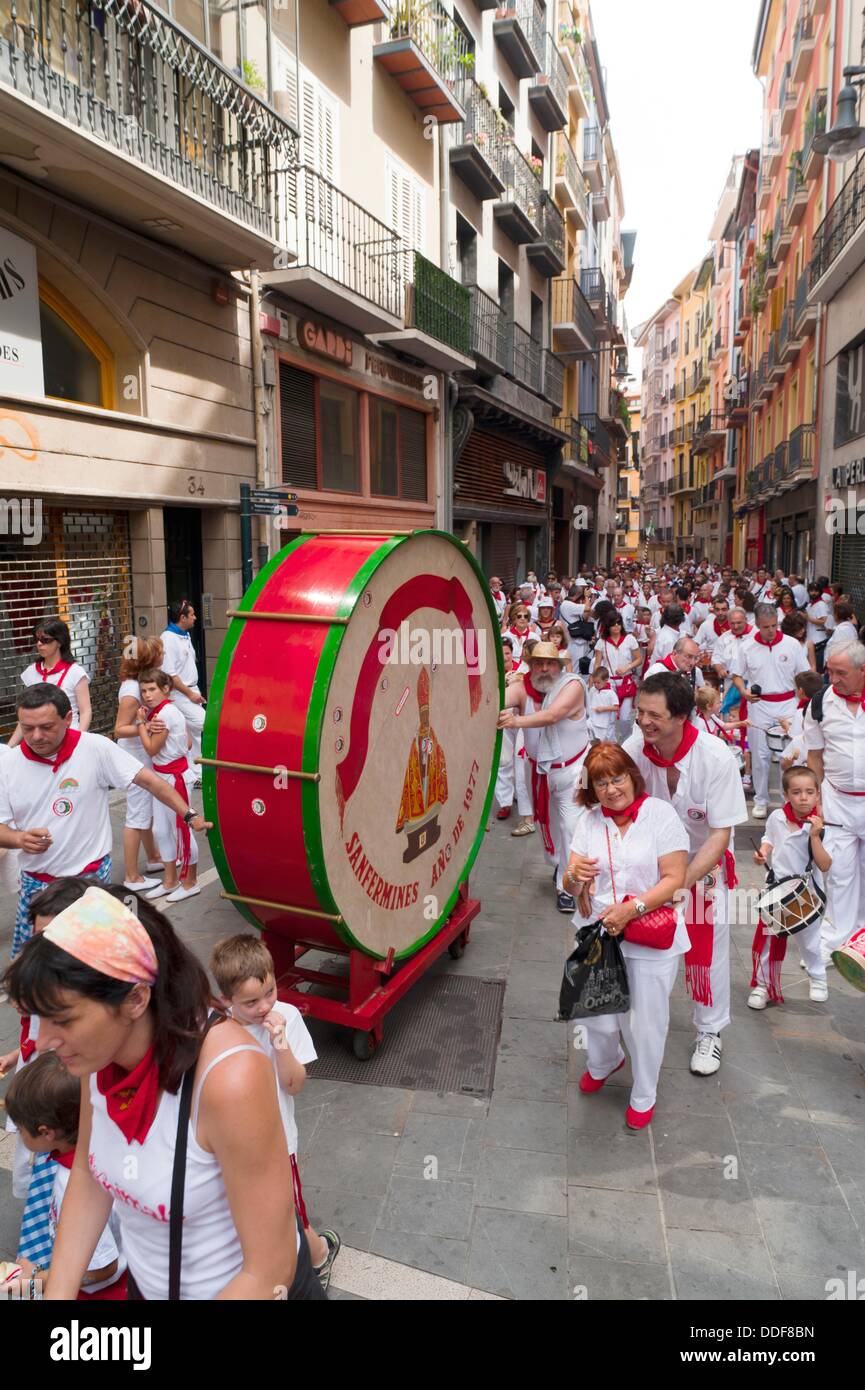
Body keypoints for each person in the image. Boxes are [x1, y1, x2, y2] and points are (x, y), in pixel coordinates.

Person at [3, 885, 325, 1300]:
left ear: (135, 999)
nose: (43, 1041)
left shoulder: (230, 1077)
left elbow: (270, 1269)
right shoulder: (98, 1058)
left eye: (62, 1020)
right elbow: (87, 1171)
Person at [0, 684, 212, 957]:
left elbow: (150, 782)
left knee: (97, 962)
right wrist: (18, 839)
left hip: (91, 881)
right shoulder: (8, 765)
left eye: (46, 727)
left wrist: (189, 814)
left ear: (68, 719)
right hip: (36, 886)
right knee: (33, 968)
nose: (36, 736)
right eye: (27, 728)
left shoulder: (94, 748)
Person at [622, 673, 747, 1076]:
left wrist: (683, 882)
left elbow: (720, 833)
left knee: (707, 949)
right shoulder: (637, 748)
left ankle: (710, 1032)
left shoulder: (715, 757)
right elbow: (612, 791)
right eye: (640, 711)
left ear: (680, 717)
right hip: (651, 861)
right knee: (641, 941)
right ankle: (634, 1019)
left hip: (702, 865)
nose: (643, 722)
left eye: (653, 715)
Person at [563, 744, 688, 1129]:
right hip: (597, 935)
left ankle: (644, 1091)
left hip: (648, 936)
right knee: (595, 1014)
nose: (611, 789)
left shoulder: (660, 815)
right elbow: (568, 880)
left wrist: (631, 909)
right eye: (601, 783)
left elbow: (674, 879)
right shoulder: (588, 821)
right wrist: (573, 879)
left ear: (632, 776)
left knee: (644, 1021)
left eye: (617, 778)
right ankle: (604, 1061)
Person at [210, 935, 340, 1292]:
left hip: (279, 1143)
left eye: (269, 992)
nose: (265, 1005)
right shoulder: (217, 1027)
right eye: (251, 1002)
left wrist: (280, 1044)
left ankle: (319, 1254)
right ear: (226, 1000)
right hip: (234, 1146)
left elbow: (295, 1084)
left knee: (288, 1211)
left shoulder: (289, 1018)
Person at [3, 1053, 128, 1299]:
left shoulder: (72, 1183)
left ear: (46, 1132)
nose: (19, 1135)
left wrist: (37, 1278)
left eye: (20, 1130)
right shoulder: (106, 1149)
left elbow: (103, 1267)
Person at [1, 878, 93, 1207]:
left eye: (53, 939)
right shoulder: (43, 980)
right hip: (40, 1093)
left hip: (59, 1109)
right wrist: (17, 1054)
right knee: (35, 1176)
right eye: (38, 937)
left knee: (61, 1183)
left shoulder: (91, 999)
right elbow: (38, 1035)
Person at [499, 641, 589, 912]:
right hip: (537, 771)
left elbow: (552, 715)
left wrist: (515, 721)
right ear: (530, 665)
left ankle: (567, 887)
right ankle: (559, 865)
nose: (544, 668)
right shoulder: (522, 686)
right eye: (538, 663)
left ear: (559, 667)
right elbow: (495, 700)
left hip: (574, 771)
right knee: (546, 827)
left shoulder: (572, 686)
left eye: (549, 663)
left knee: (571, 828)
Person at [749, 766, 831, 1010]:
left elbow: (825, 864)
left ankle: (818, 978)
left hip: (807, 893)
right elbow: (769, 839)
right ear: (786, 795)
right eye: (796, 792)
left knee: (809, 941)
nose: (803, 797)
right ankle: (763, 985)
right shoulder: (777, 818)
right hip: (777, 888)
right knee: (768, 941)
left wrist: (815, 836)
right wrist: (762, 853)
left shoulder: (821, 826)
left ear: (818, 795)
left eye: (809, 792)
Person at [804, 640, 865, 964]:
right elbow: (814, 756)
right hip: (838, 800)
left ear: (862, 671)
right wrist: (818, 802)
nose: (834, 678)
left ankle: (862, 942)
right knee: (840, 872)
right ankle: (835, 941)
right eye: (830, 671)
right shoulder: (820, 703)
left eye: (841, 673)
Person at [731, 603, 811, 819]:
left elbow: (804, 674)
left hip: (788, 704)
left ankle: (791, 800)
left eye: (774, 625)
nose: (771, 630)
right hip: (759, 705)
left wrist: (804, 700)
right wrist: (743, 691)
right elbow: (736, 674)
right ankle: (761, 800)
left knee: (791, 754)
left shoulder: (792, 644)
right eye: (766, 626)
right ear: (756, 625)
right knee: (759, 755)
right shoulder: (746, 647)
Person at [135, 669, 201, 903]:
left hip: (174, 778)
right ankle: (170, 880)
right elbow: (189, 740)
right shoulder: (166, 711)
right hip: (164, 777)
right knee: (161, 831)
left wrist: (141, 725)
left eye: (152, 689)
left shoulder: (161, 715)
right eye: (144, 691)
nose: (147, 695)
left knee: (182, 831)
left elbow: (151, 749)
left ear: (165, 689)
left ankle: (191, 882)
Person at [114, 636, 166, 893]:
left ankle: (154, 858)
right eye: (159, 652)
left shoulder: (134, 685)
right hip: (135, 760)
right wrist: (145, 726)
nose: (162, 654)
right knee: (136, 816)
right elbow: (120, 729)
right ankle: (132, 877)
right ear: (148, 659)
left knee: (143, 811)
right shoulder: (133, 693)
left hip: (138, 757)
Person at [9, 620, 91, 746]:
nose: (39, 644)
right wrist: (9, 747)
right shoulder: (31, 672)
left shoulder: (75, 672)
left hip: (68, 739)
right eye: (36, 640)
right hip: (38, 741)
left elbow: (85, 712)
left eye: (45, 640)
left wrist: (78, 742)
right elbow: (26, 713)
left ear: (59, 642)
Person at [160, 600, 205, 790]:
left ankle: (195, 774)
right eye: (192, 614)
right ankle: (194, 772)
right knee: (204, 723)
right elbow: (171, 674)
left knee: (193, 734)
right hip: (181, 694)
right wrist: (189, 694)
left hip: (192, 690)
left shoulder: (184, 635)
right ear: (182, 617)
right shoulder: (168, 639)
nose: (195, 617)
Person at [493, 639, 535, 836]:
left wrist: (516, 681)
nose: (504, 657)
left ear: (513, 654)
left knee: (521, 764)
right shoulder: (491, 671)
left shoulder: (522, 672)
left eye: (507, 653)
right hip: (501, 719)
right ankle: (505, 802)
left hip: (520, 721)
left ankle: (522, 800)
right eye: (501, 653)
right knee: (503, 761)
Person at [593, 613, 641, 733]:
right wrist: (593, 681)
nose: (616, 626)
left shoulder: (630, 639)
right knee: (610, 717)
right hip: (608, 683)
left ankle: (626, 743)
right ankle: (611, 744)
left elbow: (639, 659)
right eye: (613, 624)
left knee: (625, 718)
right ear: (607, 626)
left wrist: (627, 667)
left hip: (626, 682)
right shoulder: (602, 642)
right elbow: (597, 663)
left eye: (619, 623)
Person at [587, 667, 619, 742]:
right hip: (594, 720)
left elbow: (616, 707)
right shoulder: (593, 690)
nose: (596, 684)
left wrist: (603, 709)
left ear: (606, 680)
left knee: (607, 742)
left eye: (598, 682)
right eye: (594, 682)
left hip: (606, 723)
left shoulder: (611, 693)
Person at [805, 583, 832, 673]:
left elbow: (823, 621)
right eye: (811, 590)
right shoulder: (810, 604)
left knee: (817, 668)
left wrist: (807, 618)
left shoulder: (821, 604)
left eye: (816, 591)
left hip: (818, 641)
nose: (813, 593)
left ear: (820, 592)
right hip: (811, 639)